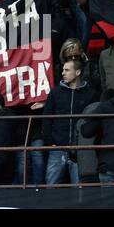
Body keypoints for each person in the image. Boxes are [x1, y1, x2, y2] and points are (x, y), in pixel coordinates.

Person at [39, 54, 100, 184]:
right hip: (57, 148)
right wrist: (50, 143)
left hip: (80, 151)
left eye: (67, 70)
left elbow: (95, 121)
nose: (63, 73)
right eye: (63, 70)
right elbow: (46, 119)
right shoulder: (55, 93)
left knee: (79, 189)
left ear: (77, 72)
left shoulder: (91, 94)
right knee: (51, 186)